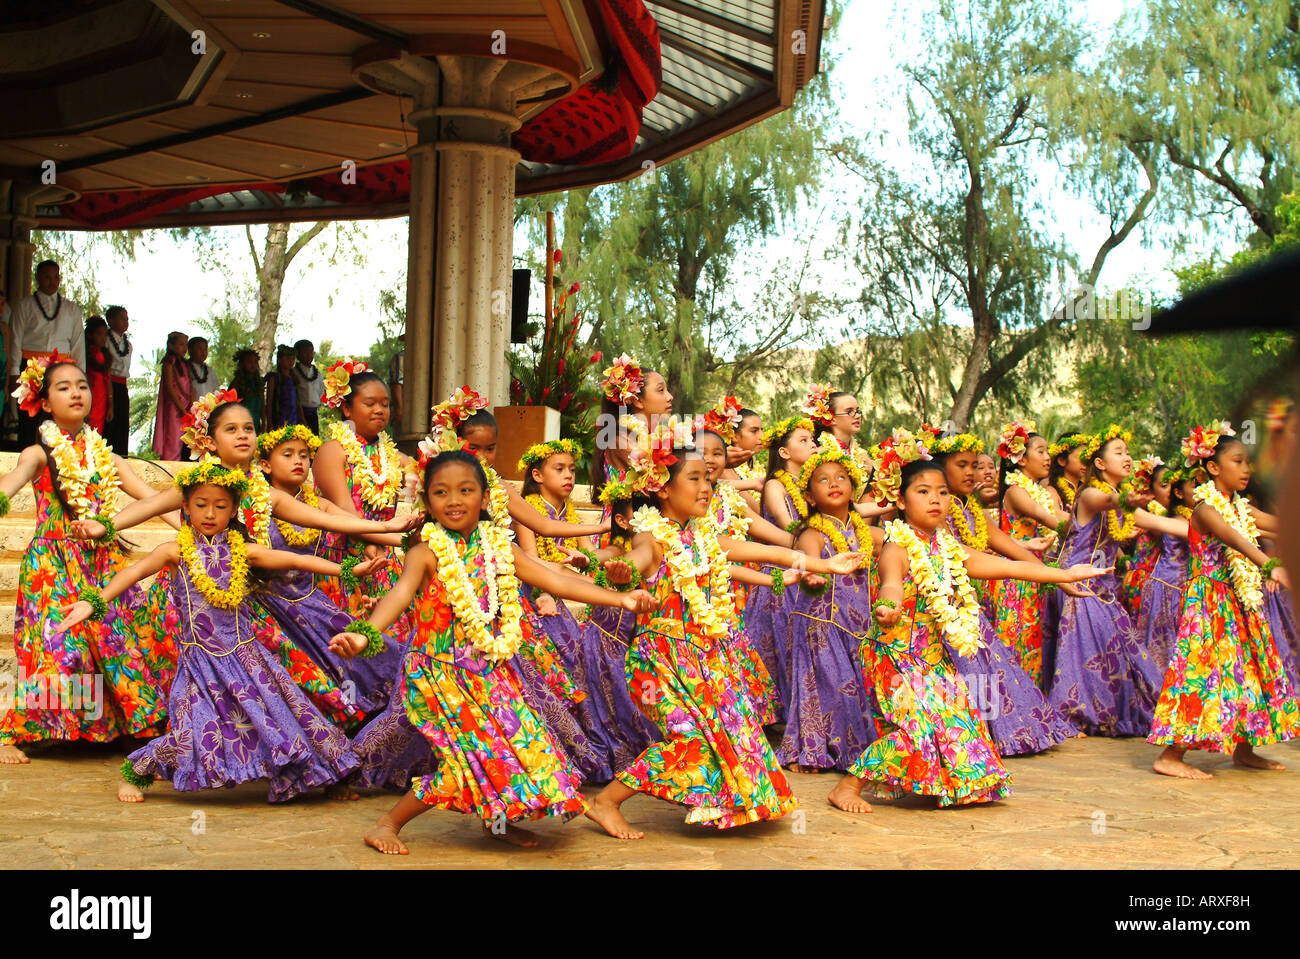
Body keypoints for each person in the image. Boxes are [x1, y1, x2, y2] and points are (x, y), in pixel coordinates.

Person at [332, 447, 657, 855]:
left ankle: (496, 824)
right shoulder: (424, 552)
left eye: (466, 490)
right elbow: (399, 595)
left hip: (491, 672)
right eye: (440, 492)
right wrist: (364, 635)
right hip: (440, 674)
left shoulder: (500, 547)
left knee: (520, 749)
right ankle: (388, 822)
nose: (453, 500)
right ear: (427, 501)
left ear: (486, 499)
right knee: (464, 759)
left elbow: (555, 581)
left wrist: (618, 598)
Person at [582, 430, 863, 839]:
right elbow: (639, 557)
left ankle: (717, 800)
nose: (706, 486)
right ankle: (605, 801)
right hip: (660, 660)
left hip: (706, 658)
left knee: (734, 734)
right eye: (694, 478)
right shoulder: (653, 535)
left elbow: (763, 552)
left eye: (709, 480)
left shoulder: (700, 537)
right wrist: (623, 573)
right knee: (690, 740)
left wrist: (823, 565)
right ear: (662, 489)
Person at [58, 461, 374, 803]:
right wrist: (93, 602)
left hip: (247, 657)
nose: (210, 513)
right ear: (184, 507)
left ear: (234, 509)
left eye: (221, 506)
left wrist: (348, 570)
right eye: (200, 505)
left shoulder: (244, 551)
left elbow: (296, 561)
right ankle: (135, 771)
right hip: (200, 662)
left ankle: (319, 777)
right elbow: (132, 573)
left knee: (283, 717)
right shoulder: (174, 551)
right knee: (190, 729)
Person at [827, 447, 1110, 814]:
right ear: (900, 498)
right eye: (923, 491)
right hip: (895, 657)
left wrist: (1063, 575)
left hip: (934, 659)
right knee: (920, 728)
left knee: (963, 730)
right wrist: (889, 606)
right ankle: (847, 787)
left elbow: (1007, 567)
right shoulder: (898, 546)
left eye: (942, 492)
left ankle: (917, 783)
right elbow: (891, 584)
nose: (936, 500)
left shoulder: (946, 547)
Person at [0, 358, 177, 764]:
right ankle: (17, 731)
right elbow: (13, 478)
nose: (76, 392)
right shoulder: (38, 452)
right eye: (63, 387)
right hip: (54, 562)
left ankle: (119, 723)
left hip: (102, 560)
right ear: (44, 403)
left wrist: (196, 528)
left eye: (82, 384)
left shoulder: (106, 457)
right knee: (63, 645)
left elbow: (152, 500)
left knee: (119, 640)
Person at [1148, 425, 1298, 778]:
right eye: (1238, 461)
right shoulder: (1203, 507)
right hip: (1209, 602)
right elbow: (1232, 537)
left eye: (1248, 462)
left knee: (1246, 671)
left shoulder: (1241, 508)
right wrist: (1271, 565)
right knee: (1201, 673)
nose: (1247, 469)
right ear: (1213, 467)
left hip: (1238, 602)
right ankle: (1170, 755)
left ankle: (1243, 748)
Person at [1040, 425, 1168, 735]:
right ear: (1099, 463)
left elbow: (1155, 521)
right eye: (1119, 452)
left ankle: (1109, 714)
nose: (1128, 458)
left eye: (1128, 452)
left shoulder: (1119, 499)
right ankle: (1072, 715)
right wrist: (1129, 501)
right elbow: (1108, 502)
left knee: (1118, 649)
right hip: (1076, 583)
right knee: (1082, 651)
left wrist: (1199, 526)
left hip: (1104, 587)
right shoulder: (1091, 494)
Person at [778, 440, 881, 773]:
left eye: (841, 477)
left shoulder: (868, 533)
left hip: (858, 626)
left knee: (855, 688)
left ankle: (854, 750)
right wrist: (812, 576)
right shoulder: (814, 532)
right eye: (823, 480)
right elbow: (806, 560)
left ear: (853, 488)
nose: (834, 483)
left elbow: (900, 549)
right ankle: (812, 750)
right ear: (809, 497)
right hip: (821, 624)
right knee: (829, 689)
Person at [9, 260, 85, 449]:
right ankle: (27, 457)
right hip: (30, 367)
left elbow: (77, 344)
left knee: (59, 416)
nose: (52, 281)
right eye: (47, 277)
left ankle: (60, 463)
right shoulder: (24, 305)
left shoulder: (71, 309)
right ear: (37, 278)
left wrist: (80, 376)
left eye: (55, 277)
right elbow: (15, 340)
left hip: (61, 367)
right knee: (30, 418)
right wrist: (13, 372)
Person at [152, 331, 192, 461]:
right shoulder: (169, 362)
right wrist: (181, 409)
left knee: (185, 442)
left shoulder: (185, 364)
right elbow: (169, 387)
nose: (184, 348)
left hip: (186, 407)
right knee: (173, 440)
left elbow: (190, 386)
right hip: (175, 408)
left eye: (185, 345)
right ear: (171, 345)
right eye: (181, 344)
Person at [103, 306, 132, 455]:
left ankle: (122, 455)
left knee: (122, 423)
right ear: (110, 320)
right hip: (109, 384)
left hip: (122, 385)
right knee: (109, 422)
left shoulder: (129, 344)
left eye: (127, 319)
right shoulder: (105, 340)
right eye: (122, 318)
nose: (126, 322)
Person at [83, 316, 111, 433]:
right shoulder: (85, 354)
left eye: (105, 335)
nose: (103, 338)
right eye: (99, 334)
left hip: (101, 399)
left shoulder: (104, 355)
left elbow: (108, 381)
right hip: (89, 398)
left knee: (96, 433)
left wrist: (111, 406)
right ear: (89, 335)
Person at [263, 344, 299, 430]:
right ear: (279, 360)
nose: (291, 361)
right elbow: (269, 402)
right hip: (279, 419)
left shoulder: (294, 378)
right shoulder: (274, 378)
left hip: (293, 418)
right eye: (287, 358)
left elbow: (298, 402)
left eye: (293, 358)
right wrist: (270, 423)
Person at [292, 339, 324, 433]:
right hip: (298, 415)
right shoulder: (293, 373)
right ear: (297, 354)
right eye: (305, 352)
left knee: (314, 444)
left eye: (311, 351)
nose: (309, 355)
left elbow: (321, 393)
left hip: (313, 414)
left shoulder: (318, 374)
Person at [229, 349, 263, 430]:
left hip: (256, 421)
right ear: (242, 364)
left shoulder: (258, 382)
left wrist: (264, 422)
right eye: (249, 362)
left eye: (255, 362)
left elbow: (262, 404)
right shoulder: (237, 382)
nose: (253, 365)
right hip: (241, 422)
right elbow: (230, 404)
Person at [187, 336, 218, 402]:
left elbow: (216, 391)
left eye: (205, 349)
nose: (203, 352)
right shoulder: (185, 369)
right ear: (190, 350)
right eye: (200, 349)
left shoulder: (210, 371)